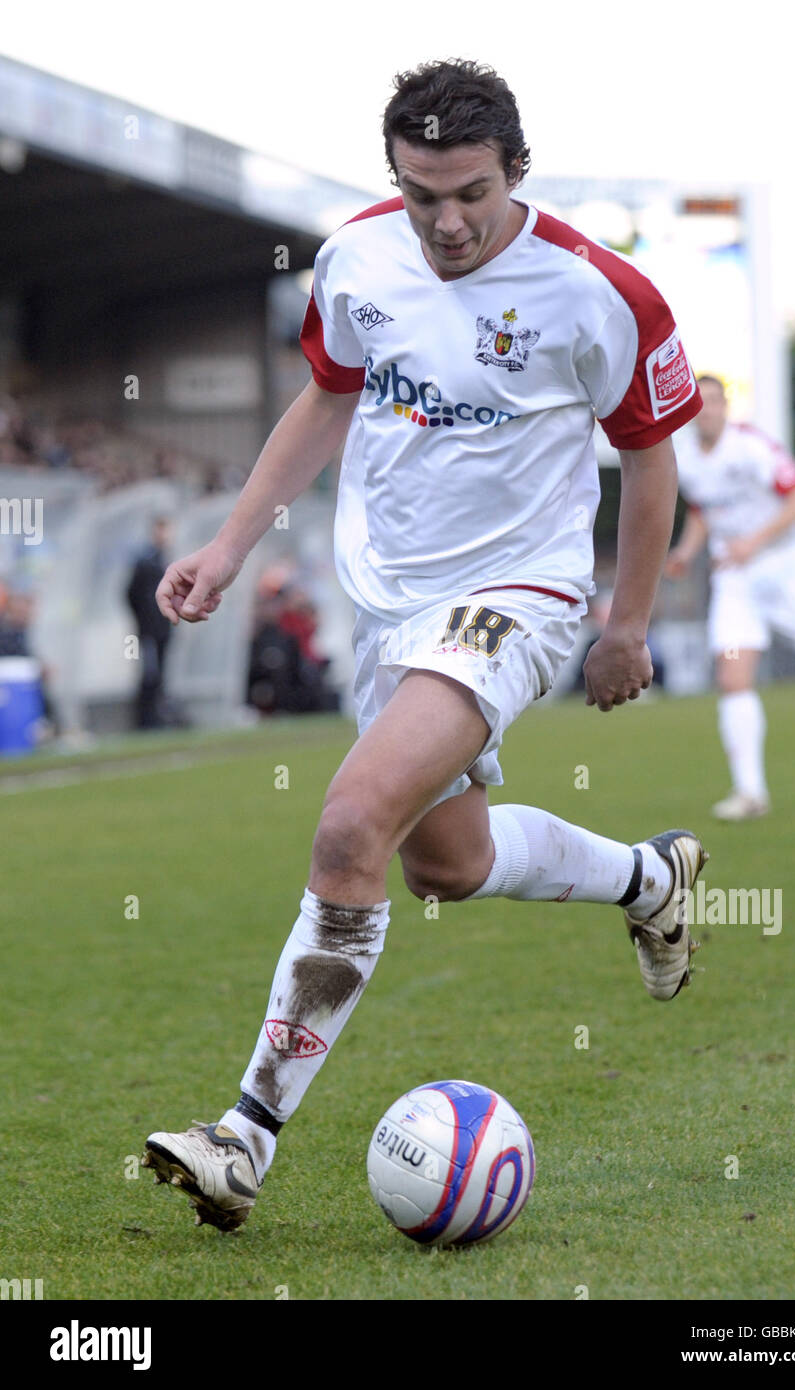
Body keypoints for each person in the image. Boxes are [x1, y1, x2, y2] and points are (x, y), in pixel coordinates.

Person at [142, 59, 709, 1232]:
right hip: (387, 609)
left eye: (469, 193)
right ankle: (649, 879)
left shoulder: (601, 292)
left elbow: (649, 460)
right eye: (419, 194)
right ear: (392, 178)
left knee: (348, 824)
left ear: (516, 172)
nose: (445, 222)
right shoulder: (354, 258)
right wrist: (230, 545)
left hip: (517, 594)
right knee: (440, 863)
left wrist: (626, 623)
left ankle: (243, 1134)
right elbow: (324, 398)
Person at [667, 374, 795, 819]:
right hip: (735, 579)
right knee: (733, 679)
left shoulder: (752, 445)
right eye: (699, 403)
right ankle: (751, 794)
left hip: (786, 569)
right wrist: (685, 552)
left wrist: (753, 542)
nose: (707, 409)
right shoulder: (684, 459)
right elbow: (703, 511)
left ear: (725, 406)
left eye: (714, 401)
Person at [126, 519, 175, 729]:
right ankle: (145, 721)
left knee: (159, 674)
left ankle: (156, 717)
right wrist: (143, 620)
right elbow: (130, 594)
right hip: (148, 630)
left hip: (163, 629)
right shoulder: (145, 561)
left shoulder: (165, 560)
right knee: (149, 673)